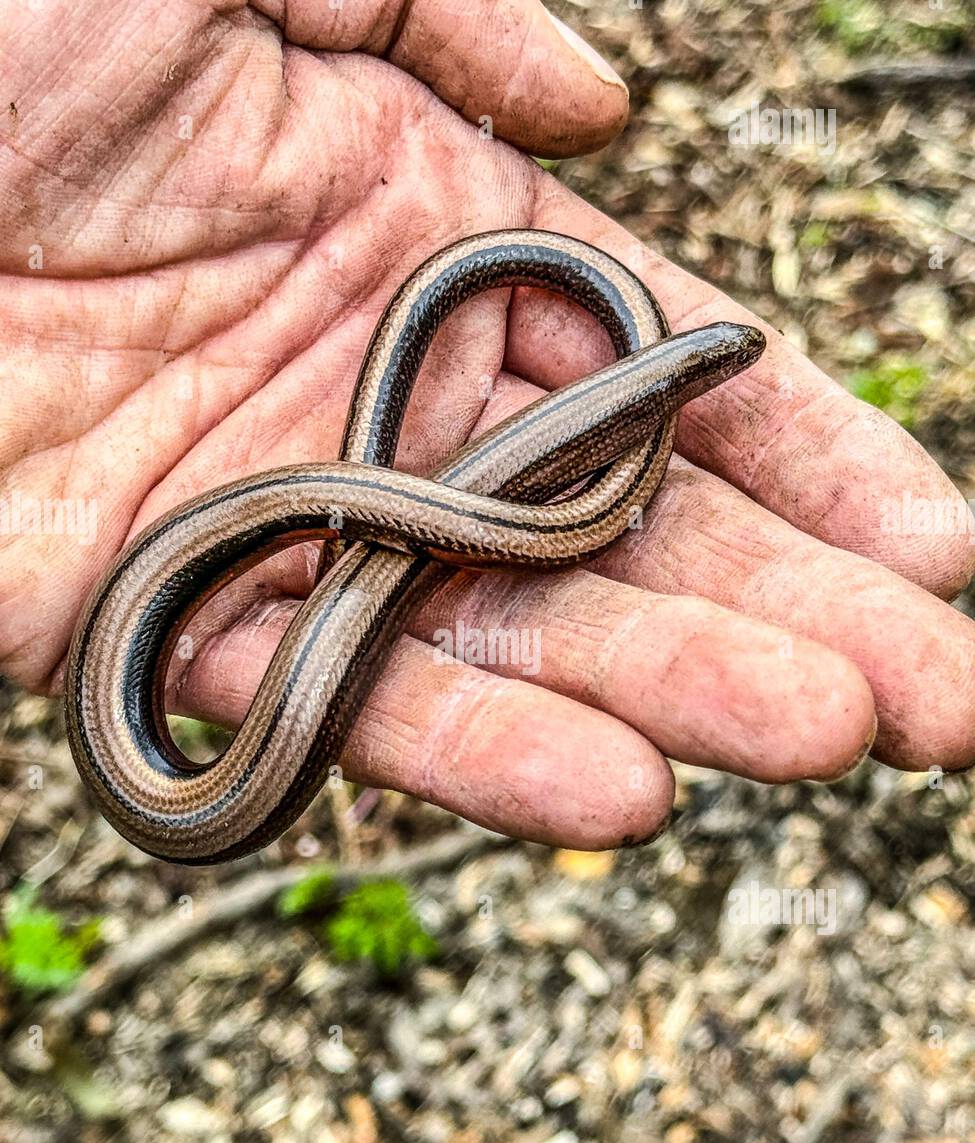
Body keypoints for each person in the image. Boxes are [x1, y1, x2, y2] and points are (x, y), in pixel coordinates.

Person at [1, 0, 972, 848]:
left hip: (215, 585)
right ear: (675, 380)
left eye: (714, 361)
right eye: (715, 362)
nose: (729, 361)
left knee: (475, 516)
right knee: (510, 511)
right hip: (184, 714)